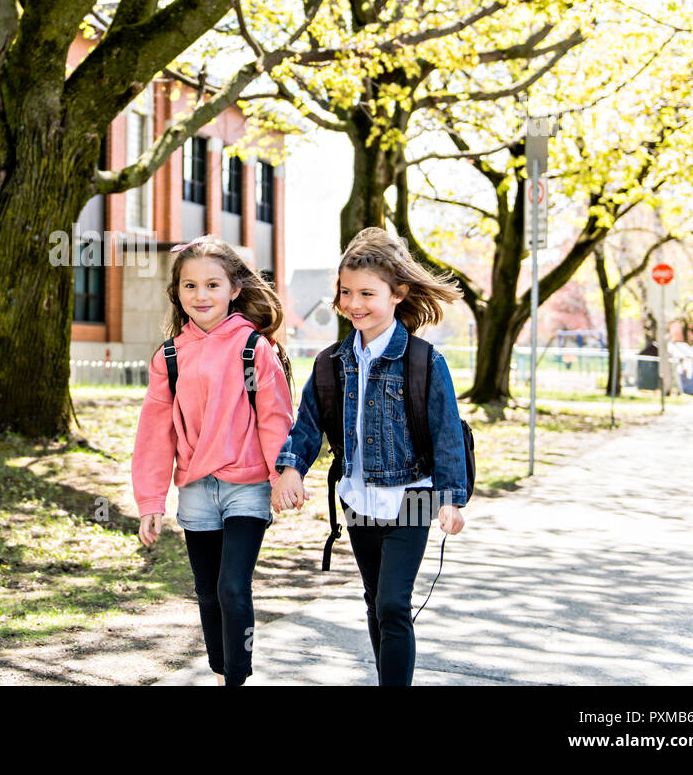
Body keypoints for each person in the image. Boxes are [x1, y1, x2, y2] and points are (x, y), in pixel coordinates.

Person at [272, 227, 469, 686]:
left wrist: (452, 498)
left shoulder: (424, 362)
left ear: (398, 293)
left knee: (394, 604)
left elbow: (446, 435)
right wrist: (289, 469)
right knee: (373, 598)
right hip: (358, 499)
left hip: (414, 496)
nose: (354, 303)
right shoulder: (331, 363)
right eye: (345, 292)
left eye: (367, 293)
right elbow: (306, 426)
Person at [131, 235, 294, 686]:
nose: (201, 296)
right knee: (206, 594)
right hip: (196, 490)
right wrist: (150, 502)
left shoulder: (254, 348)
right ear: (177, 293)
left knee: (232, 588)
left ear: (234, 290)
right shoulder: (169, 356)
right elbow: (154, 433)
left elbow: (275, 419)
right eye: (189, 286)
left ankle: (238, 678)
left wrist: (282, 474)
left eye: (212, 285)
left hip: (248, 486)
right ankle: (225, 673)